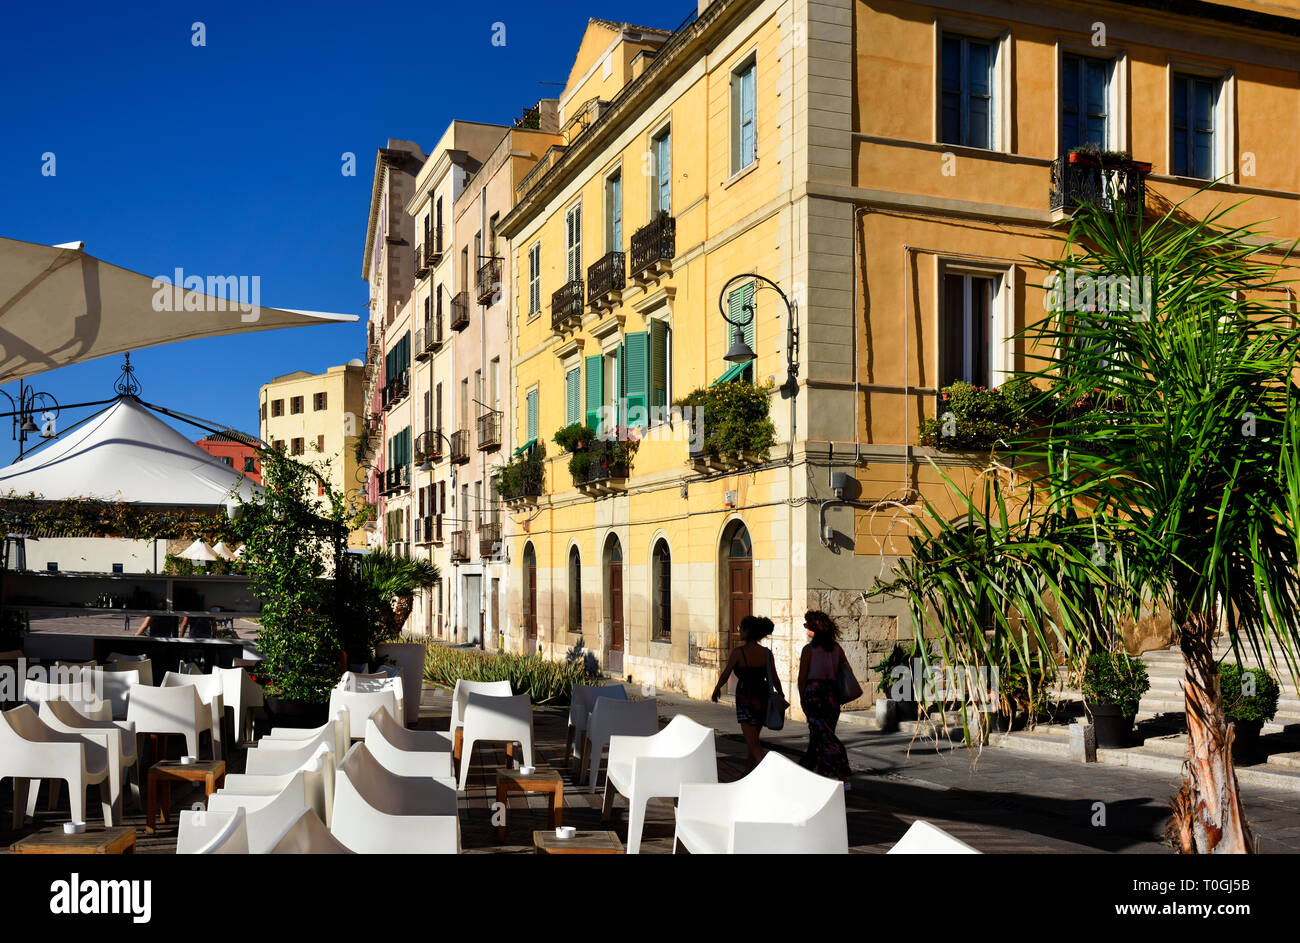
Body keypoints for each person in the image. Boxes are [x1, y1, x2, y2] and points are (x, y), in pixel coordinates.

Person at [712, 615, 784, 771]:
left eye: (741, 628)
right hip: (762, 696)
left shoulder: (739, 653)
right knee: (754, 739)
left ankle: (769, 774)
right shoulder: (766, 653)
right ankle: (748, 772)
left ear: (748, 631)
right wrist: (781, 694)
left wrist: (717, 688)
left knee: (753, 742)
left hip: (746, 697)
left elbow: (726, 673)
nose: (739, 631)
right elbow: (775, 678)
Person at [797, 610, 852, 782]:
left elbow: (802, 678)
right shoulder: (837, 649)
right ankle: (814, 771)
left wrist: (802, 699)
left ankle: (841, 772)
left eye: (807, 625)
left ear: (813, 630)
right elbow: (845, 671)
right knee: (820, 735)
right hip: (832, 695)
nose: (806, 628)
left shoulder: (809, 650)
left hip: (815, 695)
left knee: (824, 736)